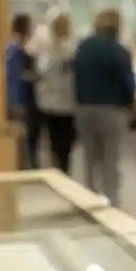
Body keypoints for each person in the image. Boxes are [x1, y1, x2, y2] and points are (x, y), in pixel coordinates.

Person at [74, 9, 136, 205]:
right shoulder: (120, 51)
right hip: (112, 109)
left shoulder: (83, 47)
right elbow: (128, 82)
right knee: (111, 156)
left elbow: (76, 79)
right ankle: (110, 199)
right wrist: (130, 104)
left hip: (85, 108)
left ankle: (89, 194)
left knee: (90, 156)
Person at [35, 12, 77, 174]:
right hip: (68, 105)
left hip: (49, 104)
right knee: (65, 146)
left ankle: (58, 172)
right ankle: (64, 171)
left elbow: (41, 72)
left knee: (54, 145)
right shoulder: (73, 50)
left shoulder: (47, 51)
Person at [5, 14, 40, 168]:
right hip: (20, 101)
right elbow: (17, 76)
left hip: (14, 99)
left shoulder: (10, 49)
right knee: (22, 140)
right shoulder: (19, 51)